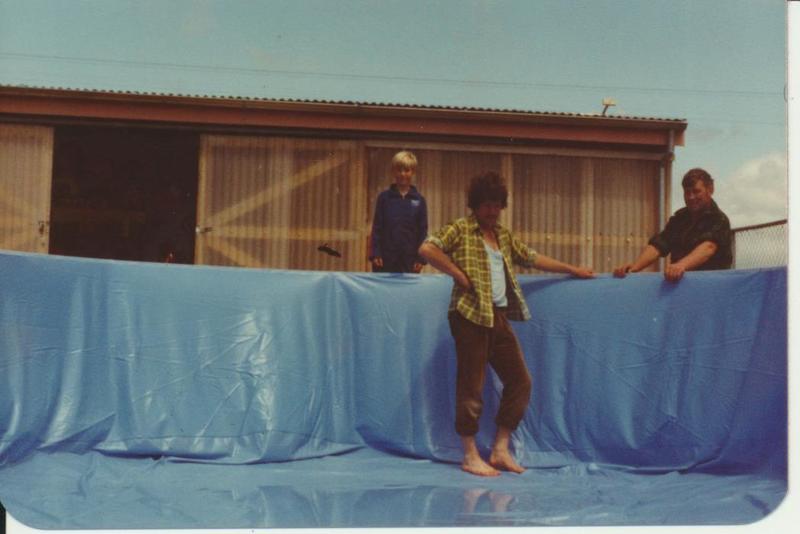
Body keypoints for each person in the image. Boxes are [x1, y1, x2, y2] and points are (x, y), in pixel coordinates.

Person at [419, 171, 594, 477]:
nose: (492, 210)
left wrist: (572, 269)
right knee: (471, 386)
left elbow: (532, 257)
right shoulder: (461, 228)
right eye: (486, 204)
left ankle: (500, 450)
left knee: (520, 380)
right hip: (469, 315)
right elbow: (427, 248)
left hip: (497, 316)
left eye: (497, 204)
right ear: (475, 205)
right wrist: (458, 274)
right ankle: (470, 455)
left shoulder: (503, 235)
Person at [613, 168, 732, 282]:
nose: (691, 197)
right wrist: (634, 268)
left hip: (713, 287)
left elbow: (708, 248)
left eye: (696, 191)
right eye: (687, 192)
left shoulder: (719, 219)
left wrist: (681, 265)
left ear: (710, 189)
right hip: (682, 286)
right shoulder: (679, 218)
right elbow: (659, 245)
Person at [370, 150, 428, 273]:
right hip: (385, 260)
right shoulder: (384, 198)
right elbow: (377, 228)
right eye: (399, 170)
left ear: (413, 172)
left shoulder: (419, 200)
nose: (402, 174)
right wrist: (376, 253)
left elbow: (423, 232)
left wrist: (420, 258)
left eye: (407, 170)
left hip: (409, 261)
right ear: (393, 171)